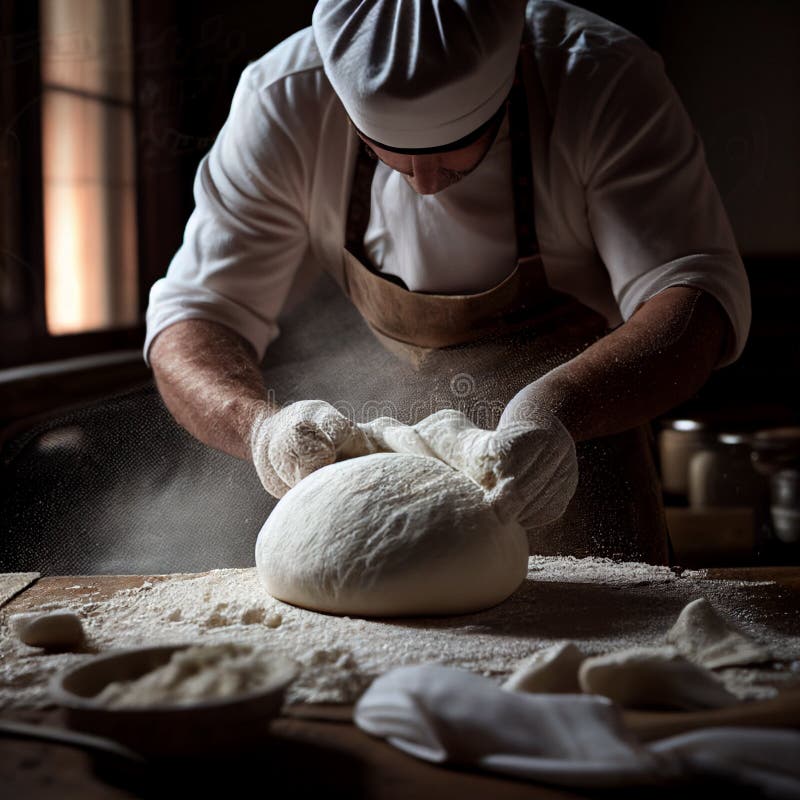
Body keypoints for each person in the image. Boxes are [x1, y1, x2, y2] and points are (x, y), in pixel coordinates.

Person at [145, 0, 750, 565]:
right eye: (391, 153)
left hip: (569, 454)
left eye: (459, 151)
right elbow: (197, 315)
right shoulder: (283, 100)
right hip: (386, 469)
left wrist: (556, 409)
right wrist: (262, 430)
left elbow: (693, 296)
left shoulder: (598, 78)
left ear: (512, 74)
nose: (427, 183)